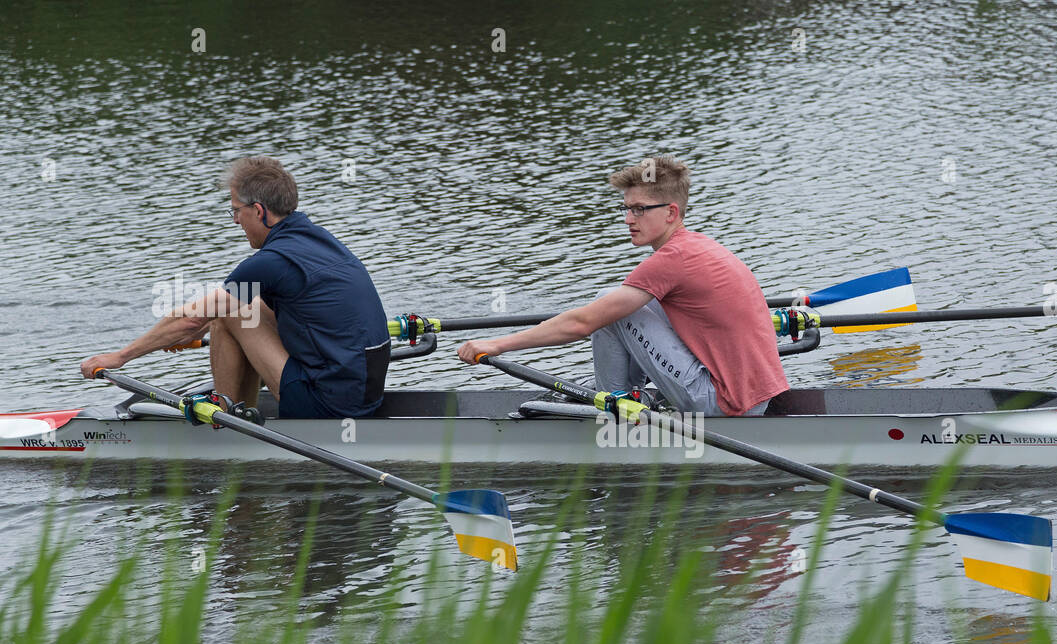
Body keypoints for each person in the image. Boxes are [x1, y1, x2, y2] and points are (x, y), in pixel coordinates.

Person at [456, 155, 788, 416]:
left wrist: (497, 345)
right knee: (630, 304)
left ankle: (613, 410)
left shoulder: (672, 260)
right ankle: (627, 397)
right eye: (626, 209)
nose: (628, 219)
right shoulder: (699, 247)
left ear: (671, 212)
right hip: (755, 397)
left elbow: (583, 323)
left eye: (640, 210)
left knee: (609, 306)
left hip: (722, 405)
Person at [80, 156, 390, 419]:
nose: (235, 221)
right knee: (234, 309)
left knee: (226, 312)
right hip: (364, 393)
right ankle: (239, 410)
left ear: (258, 211)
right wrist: (198, 328)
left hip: (328, 405)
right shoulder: (318, 238)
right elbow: (275, 309)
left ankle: (225, 421)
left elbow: (190, 318)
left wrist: (120, 356)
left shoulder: (270, 261)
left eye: (236, 211)